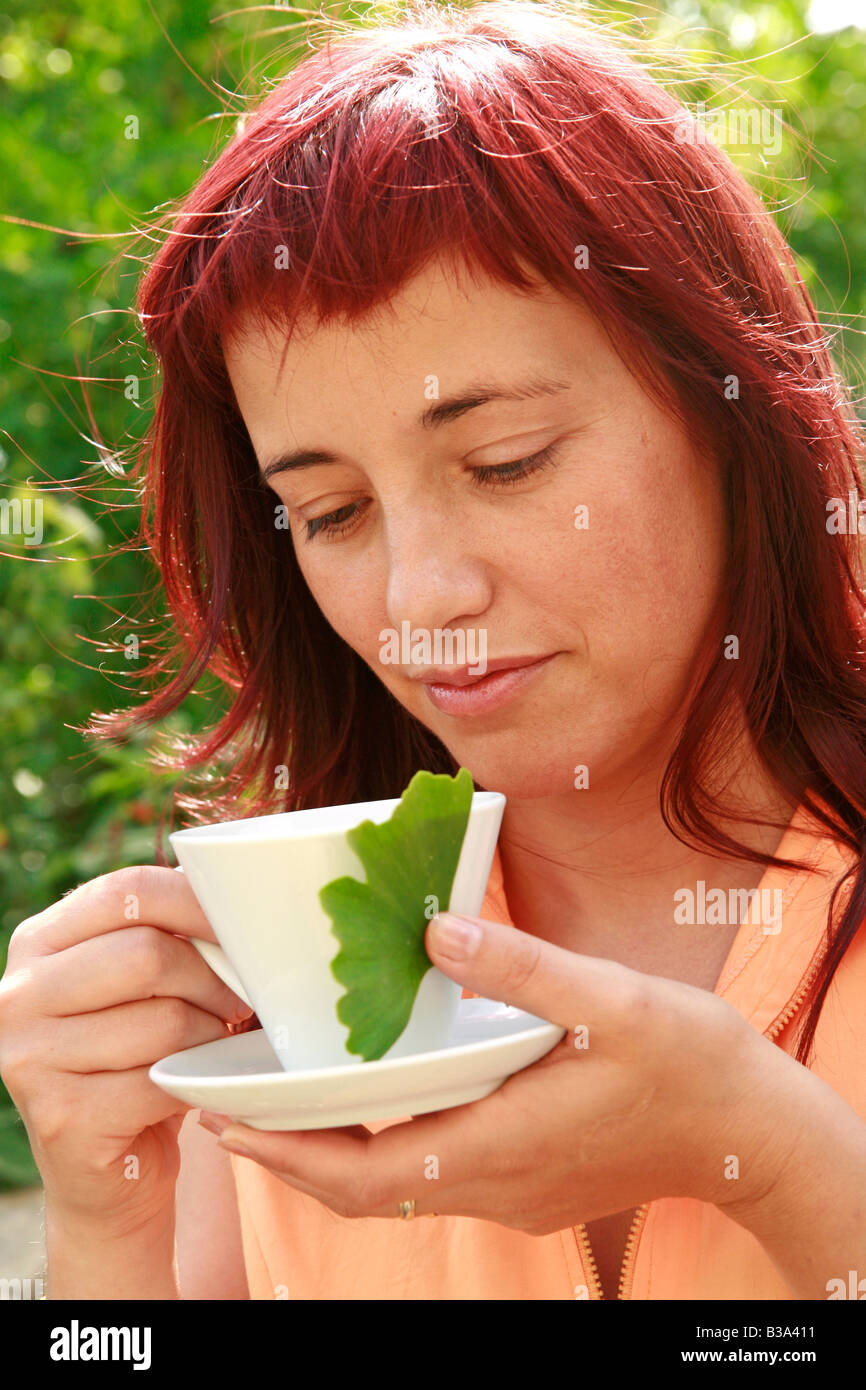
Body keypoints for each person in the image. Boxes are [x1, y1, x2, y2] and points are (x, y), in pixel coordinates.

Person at [1, 0, 865, 1301]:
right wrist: (107, 1219)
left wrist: (773, 1155)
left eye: (504, 462)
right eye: (332, 511)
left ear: (724, 409)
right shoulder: (273, 989)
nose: (419, 592)